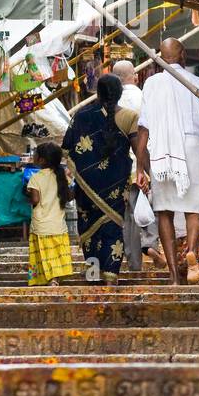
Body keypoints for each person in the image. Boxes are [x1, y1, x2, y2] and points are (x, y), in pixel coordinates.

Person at [134, 38, 199, 284]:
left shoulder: (151, 84)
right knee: (194, 208)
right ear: (183, 54)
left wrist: (140, 167)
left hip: (162, 151)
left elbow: (144, 128)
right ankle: (192, 250)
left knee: (164, 211)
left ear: (161, 58)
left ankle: (174, 275)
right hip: (192, 146)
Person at [62, 74, 136, 283]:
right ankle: (111, 278)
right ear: (120, 93)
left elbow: (67, 148)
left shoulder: (81, 115)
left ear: (98, 92)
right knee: (112, 228)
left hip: (87, 186)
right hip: (117, 185)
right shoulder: (130, 117)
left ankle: (92, 275)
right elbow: (139, 149)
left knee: (89, 230)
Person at [25, 143, 74, 286]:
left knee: (43, 254)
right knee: (56, 255)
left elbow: (35, 200)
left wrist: (26, 196)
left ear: (41, 160)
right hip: (58, 225)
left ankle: (42, 279)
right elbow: (70, 195)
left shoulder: (36, 178)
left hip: (41, 225)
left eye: (35, 154)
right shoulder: (62, 176)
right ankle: (54, 278)